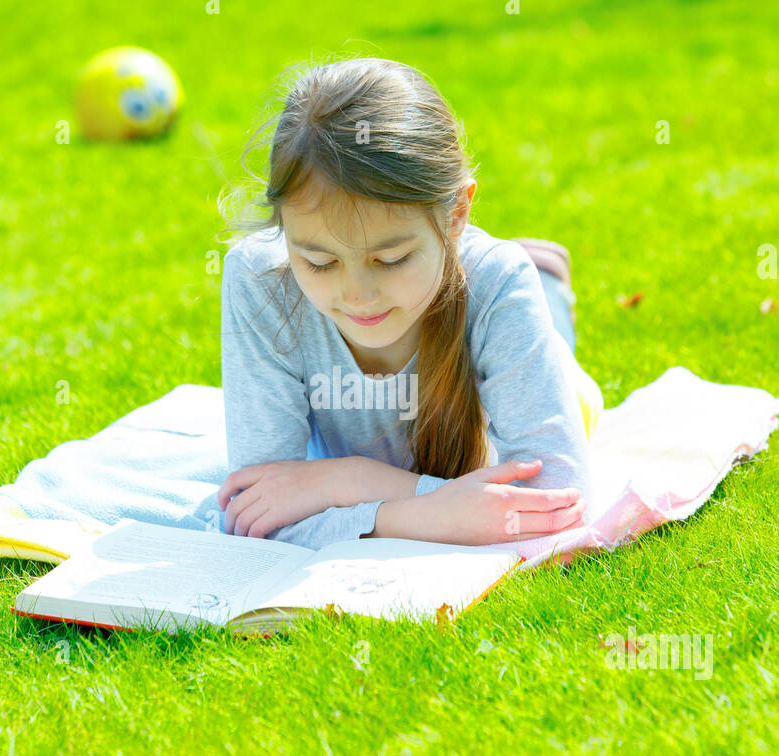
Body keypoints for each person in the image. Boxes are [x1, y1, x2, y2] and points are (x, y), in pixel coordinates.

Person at [216, 57, 604, 550]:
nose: (357, 294)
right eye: (318, 262)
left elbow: (554, 505)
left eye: (392, 258)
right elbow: (258, 514)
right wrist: (431, 510)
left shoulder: (498, 283)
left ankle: (543, 283)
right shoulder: (261, 278)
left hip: (507, 310)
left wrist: (345, 483)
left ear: (458, 212)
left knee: (569, 381)